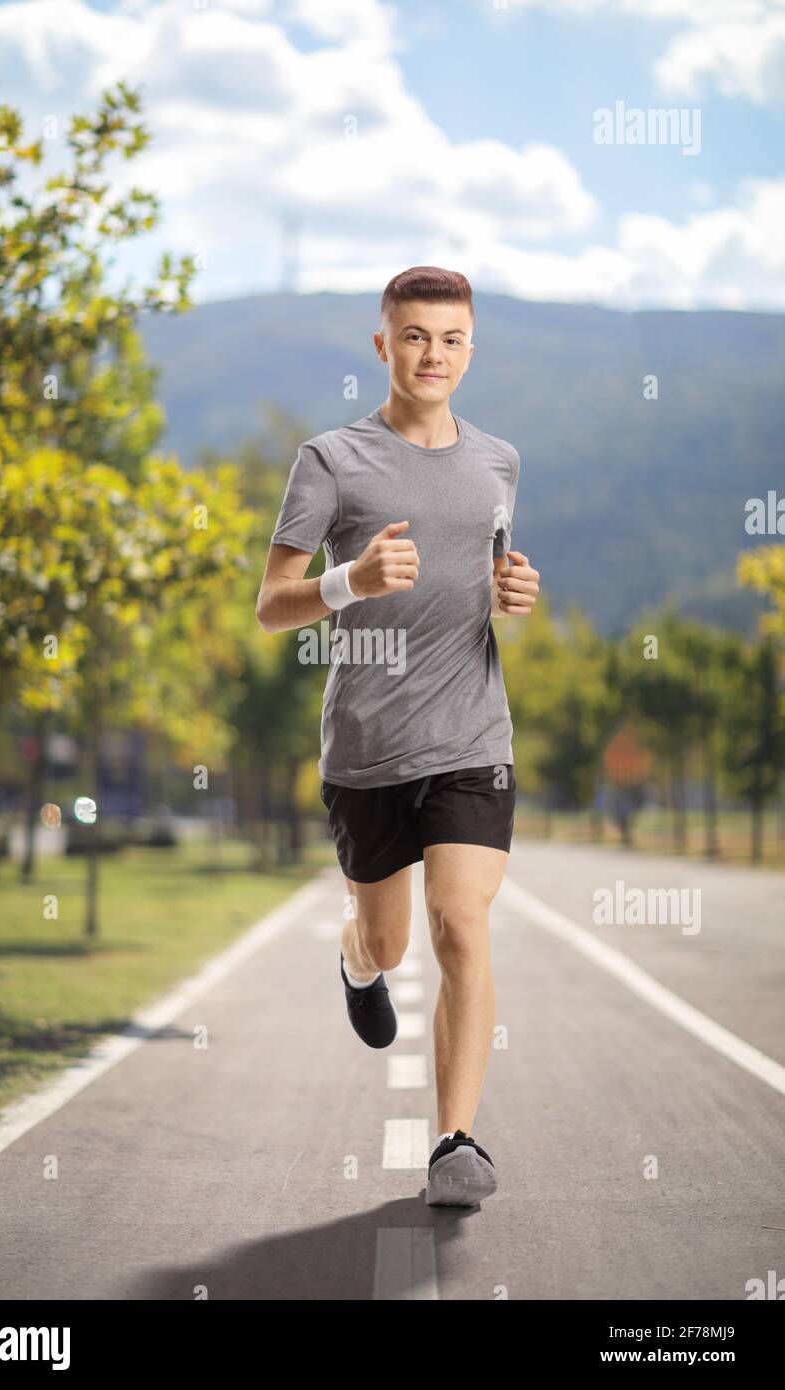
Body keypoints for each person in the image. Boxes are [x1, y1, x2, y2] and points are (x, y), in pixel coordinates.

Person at [256, 266, 540, 1206]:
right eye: (414, 336)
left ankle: (456, 1142)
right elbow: (270, 606)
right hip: (368, 746)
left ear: (472, 349)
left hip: (471, 735)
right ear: (383, 345)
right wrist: (352, 582)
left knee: (461, 923)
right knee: (391, 942)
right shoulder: (330, 459)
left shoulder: (498, 460)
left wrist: (518, 601)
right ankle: (354, 955)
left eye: (451, 338)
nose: (433, 354)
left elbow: (491, 586)